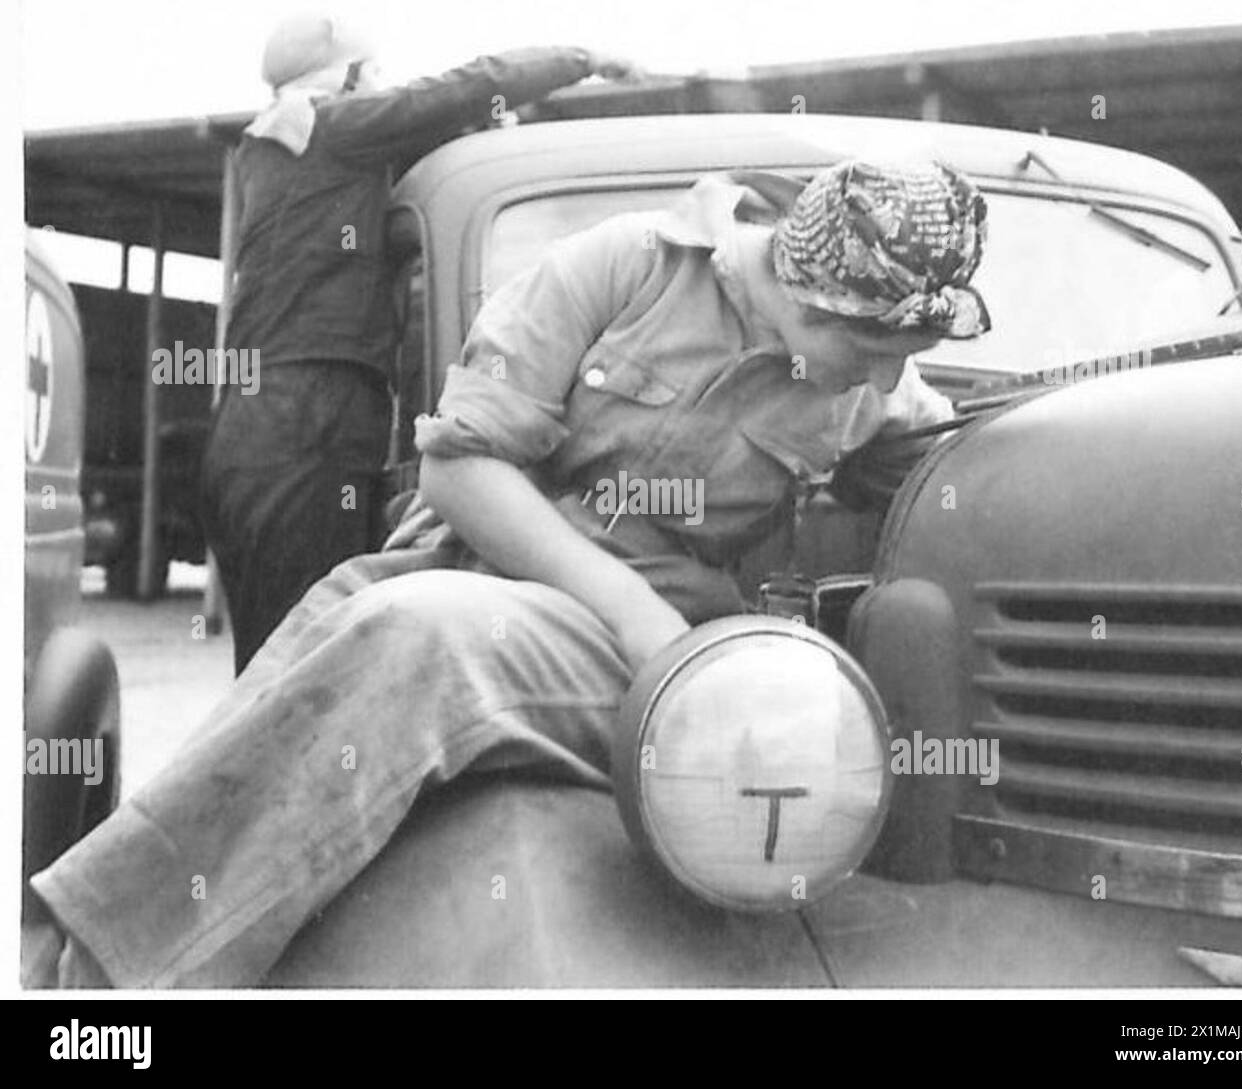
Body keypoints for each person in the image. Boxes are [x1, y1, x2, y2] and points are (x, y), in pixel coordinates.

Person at [28, 157, 989, 987]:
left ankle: (114, 990)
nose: (875, 382)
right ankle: (76, 956)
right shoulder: (626, 268)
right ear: (804, 283)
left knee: (424, 643)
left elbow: (954, 457)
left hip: (651, 666)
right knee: (330, 641)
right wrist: (626, 606)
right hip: (497, 581)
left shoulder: (877, 388)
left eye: (897, 360)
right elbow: (459, 466)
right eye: (863, 350)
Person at [201, 12, 641, 673]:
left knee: (272, 657)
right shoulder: (330, 129)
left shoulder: (278, 153)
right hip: (303, 425)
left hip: (251, 431)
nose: (384, 87)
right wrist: (586, 54)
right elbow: (468, 84)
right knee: (303, 664)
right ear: (346, 80)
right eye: (374, 75)